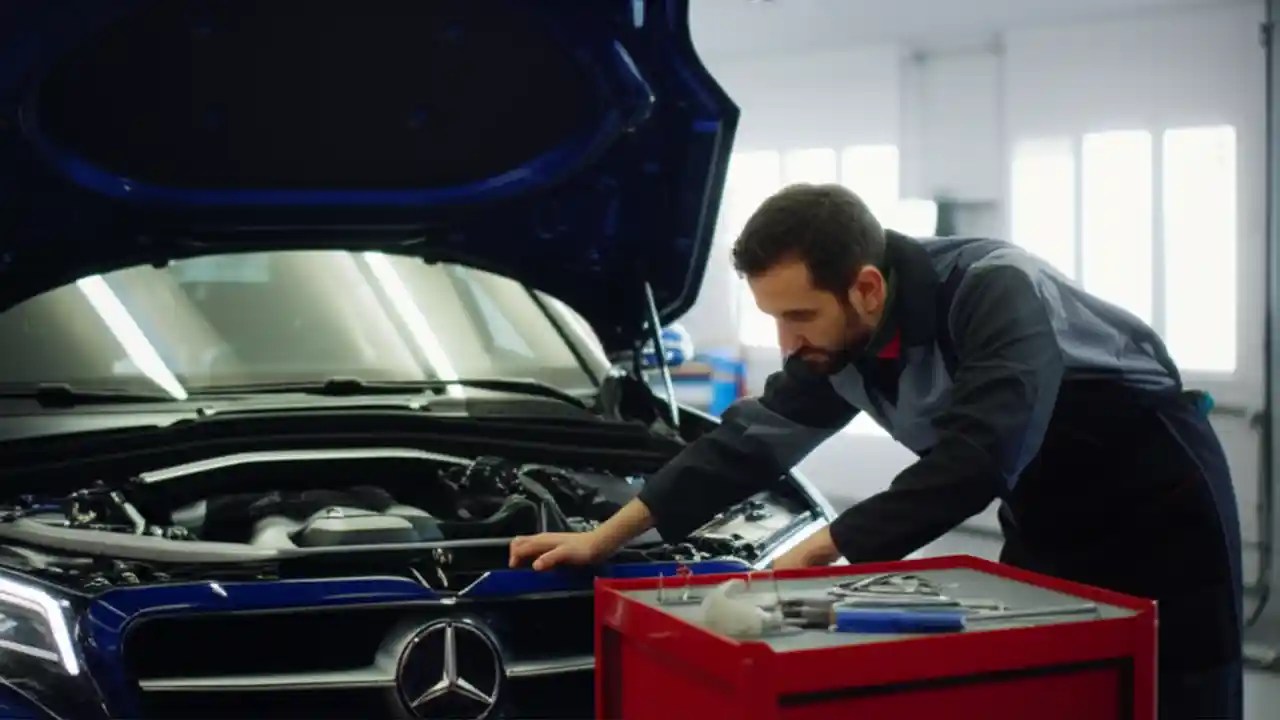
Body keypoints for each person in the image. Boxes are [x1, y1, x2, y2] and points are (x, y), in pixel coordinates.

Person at [508, 183, 1243, 719]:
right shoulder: (842, 348)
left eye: (800, 315)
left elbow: (982, 453)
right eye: (774, 319)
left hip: (1157, 496)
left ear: (865, 286)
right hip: (1047, 505)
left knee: (1174, 690)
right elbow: (743, 447)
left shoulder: (994, 289)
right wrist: (599, 539)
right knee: (1048, 685)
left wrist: (811, 555)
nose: (787, 343)